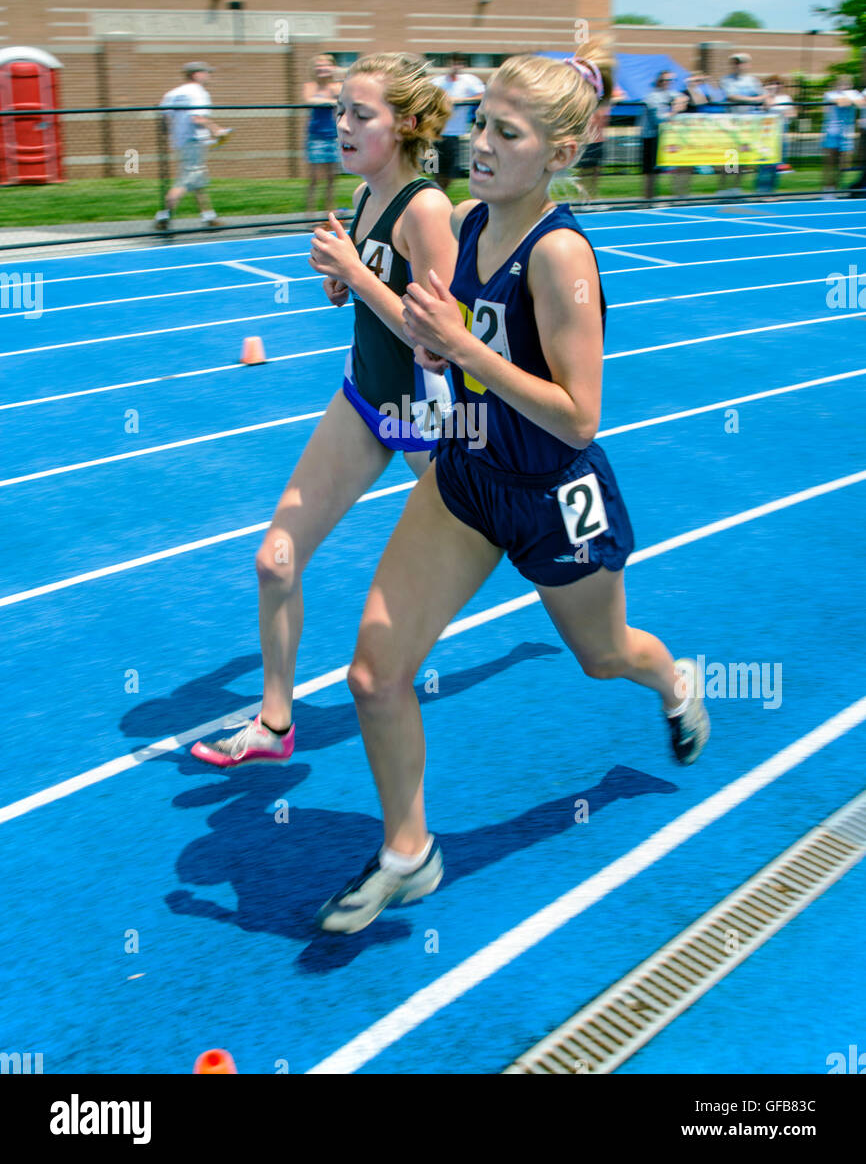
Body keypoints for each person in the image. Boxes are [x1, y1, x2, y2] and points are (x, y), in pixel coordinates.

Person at [316, 48, 709, 934]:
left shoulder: (558, 253)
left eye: (506, 132)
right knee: (375, 675)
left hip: (551, 489)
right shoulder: (461, 217)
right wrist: (392, 311)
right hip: (467, 469)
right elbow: (439, 335)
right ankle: (409, 855)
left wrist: (465, 352)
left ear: (560, 153)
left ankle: (673, 680)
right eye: (478, 122)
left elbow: (579, 417)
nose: (479, 143)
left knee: (604, 657)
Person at [191, 54, 455, 769]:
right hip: (365, 400)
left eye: (359, 114)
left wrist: (356, 275)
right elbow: (378, 301)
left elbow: (437, 337)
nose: (340, 125)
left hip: (426, 419)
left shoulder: (427, 209)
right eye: (340, 110)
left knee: (522, 546)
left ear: (401, 126)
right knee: (274, 561)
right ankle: (274, 727)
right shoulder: (367, 193)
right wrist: (348, 286)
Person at [153, 62, 231, 233]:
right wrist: (217, 130)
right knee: (187, 179)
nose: (209, 76)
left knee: (197, 179)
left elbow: (163, 118)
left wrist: (173, 136)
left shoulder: (173, 93)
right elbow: (197, 118)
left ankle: (209, 216)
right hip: (195, 141)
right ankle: (163, 216)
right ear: (196, 75)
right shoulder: (198, 93)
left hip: (181, 142)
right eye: (206, 72)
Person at [432, 54, 485, 192]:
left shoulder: (469, 81)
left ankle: (440, 192)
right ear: (448, 64)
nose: (455, 66)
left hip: (457, 133)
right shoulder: (438, 82)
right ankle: (437, 192)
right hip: (437, 131)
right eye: (453, 63)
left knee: (452, 171)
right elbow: (427, 96)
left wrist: (460, 100)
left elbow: (483, 95)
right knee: (434, 168)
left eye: (459, 63)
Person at [718, 53, 765, 196]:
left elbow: (764, 96)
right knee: (730, 158)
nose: (739, 66)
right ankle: (723, 188)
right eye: (736, 63)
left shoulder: (753, 81)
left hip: (748, 124)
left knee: (743, 157)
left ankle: (736, 187)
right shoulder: (726, 80)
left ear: (748, 65)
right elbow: (732, 96)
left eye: (742, 63)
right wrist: (754, 99)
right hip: (732, 123)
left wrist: (759, 99)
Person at [576, 76, 625, 206]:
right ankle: (583, 200)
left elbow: (621, 96)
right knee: (584, 171)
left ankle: (592, 198)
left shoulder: (605, 92)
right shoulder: (584, 94)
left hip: (600, 138)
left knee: (596, 171)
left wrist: (607, 99)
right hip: (586, 139)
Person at [303, 53, 342, 213]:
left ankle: (329, 214)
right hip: (316, 136)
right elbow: (309, 100)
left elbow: (345, 99)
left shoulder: (337, 87)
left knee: (332, 179)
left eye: (326, 64)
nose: (322, 68)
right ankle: (310, 215)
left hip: (333, 135)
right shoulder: (310, 86)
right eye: (319, 65)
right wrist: (332, 101)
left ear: (332, 67)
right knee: (314, 179)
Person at [640, 69, 686, 202]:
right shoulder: (652, 96)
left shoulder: (671, 93)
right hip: (652, 135)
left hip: (666, 137)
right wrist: (675, 110)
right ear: (658, 81)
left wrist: (680, 100)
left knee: (665, 168)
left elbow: (683, 97)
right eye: (664, 80)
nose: (667, 83)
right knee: (651, 171)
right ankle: (649, 199)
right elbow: (658, 119)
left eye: (670, 80)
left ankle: (665, 197)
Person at [821, 75, 863, 194]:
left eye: (847, 84)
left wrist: (852, 99)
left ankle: (836, 186)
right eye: (842, 84)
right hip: (831, 132)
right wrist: (851, 99)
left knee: (843, 163)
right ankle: (828, 188)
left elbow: (861, 103)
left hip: (846, 134)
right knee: (830, 162)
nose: (844, 86)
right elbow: (840, 103)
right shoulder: (830, 94)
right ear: (837, 85)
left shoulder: (853, 93)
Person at [756, 76, 795, 195]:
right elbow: (766, 108)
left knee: (777, 165)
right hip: (767, 134)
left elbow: (792, 114)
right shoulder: (764, 96)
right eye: (772, 83)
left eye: (777, 83)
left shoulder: (786, 97)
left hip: (781, 132)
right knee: (765, 164)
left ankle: (772, 191)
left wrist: (780, 111)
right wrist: (769, 95)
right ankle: (761, 191)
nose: (775, 86)